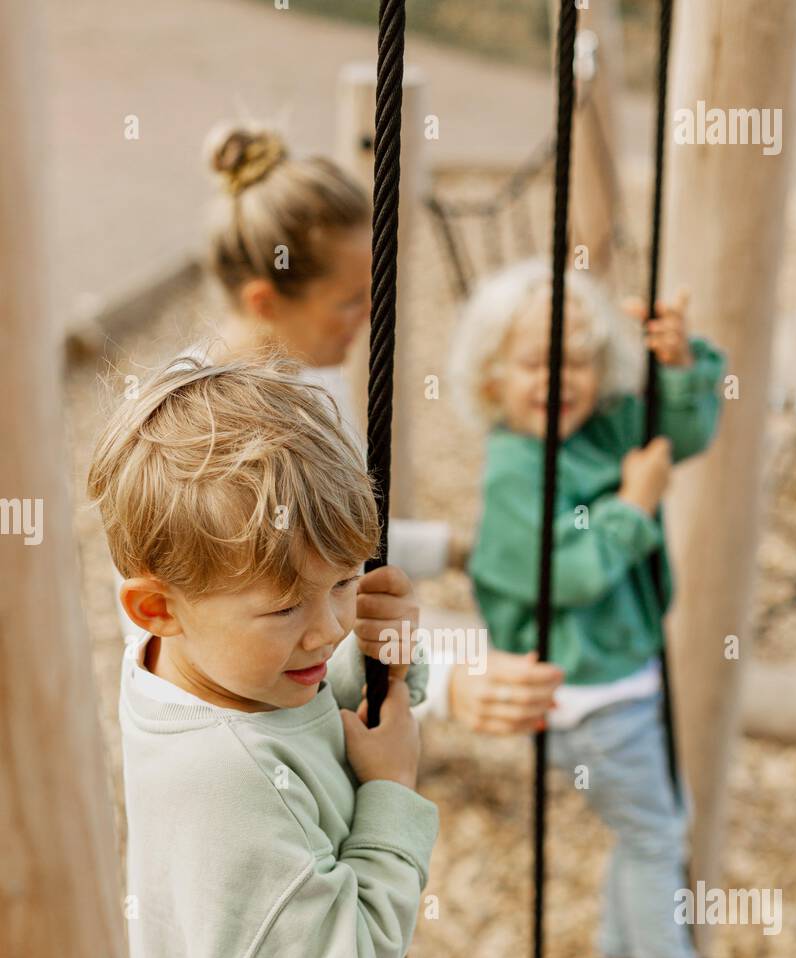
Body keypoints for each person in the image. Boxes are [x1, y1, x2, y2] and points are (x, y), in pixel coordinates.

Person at [88, 353, 440, 958]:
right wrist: (393, 798)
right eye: (288, 605)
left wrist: (389, 661)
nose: (326, 628)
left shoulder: (200, 655)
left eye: (341, 585)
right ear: (154, 605)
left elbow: (320, 690)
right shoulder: (220, 784)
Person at [110, 120, 563, 740]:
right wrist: (449, 684)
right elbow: (294, 607)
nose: (369, 319)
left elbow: (329, 543)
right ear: (266, 301)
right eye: (349, 300)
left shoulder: (310, 376)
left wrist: (454, 549)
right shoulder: (212, 447)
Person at [452, 257, 749, 958]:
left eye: (578, 358)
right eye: (534, 363)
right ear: (491, 380)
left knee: (648, 825)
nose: (559, 378)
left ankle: (622, 954)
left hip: (622, 678)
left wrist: (682, 363)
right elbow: (569, 575)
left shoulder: (598, 427)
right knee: (656, 834)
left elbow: (679, 432)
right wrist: (632, 505)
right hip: (585, 697)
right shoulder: (513, 474)